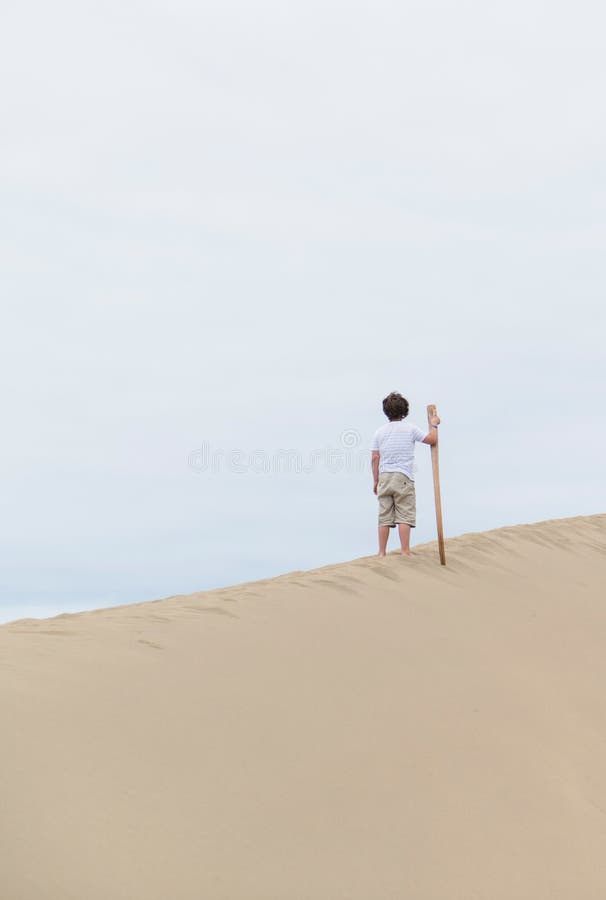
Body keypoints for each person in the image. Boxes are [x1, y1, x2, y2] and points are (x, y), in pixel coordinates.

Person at [371, 392, 440, 557]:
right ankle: (405, 550)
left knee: (384, 515)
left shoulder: (379, 432)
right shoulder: (410, 428)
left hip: (385, 477)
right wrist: (434, 425)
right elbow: (432, 439)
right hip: (403, 476)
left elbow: (374, 457)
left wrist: (376, 481)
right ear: (405, 410)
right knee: (404, 514)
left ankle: (381, 552)